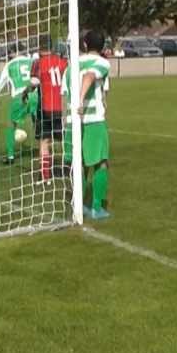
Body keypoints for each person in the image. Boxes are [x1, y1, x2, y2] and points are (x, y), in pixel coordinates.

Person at [61, 30, 112, 219]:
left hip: (72, 122)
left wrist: (66, 119)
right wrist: (81, 100)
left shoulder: (70, 65)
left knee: (79, 164)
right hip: (92, 120)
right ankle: (96, 208)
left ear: (84, 45)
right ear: (103, 46)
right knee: (101, 163)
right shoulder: (102, 63)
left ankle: (79, 205)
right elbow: (89, 76)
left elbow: (64, 94)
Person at [0, 50, 38, 164]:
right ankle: (44, 150)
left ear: (14, 53)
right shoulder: (32, 61)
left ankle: (10, 157)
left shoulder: (10, 65)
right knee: (39, 123)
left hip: (19, 97)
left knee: (11, 125)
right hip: (35, 95)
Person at [29, 36, 68, 184]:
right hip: (62, 108)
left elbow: (34, 82)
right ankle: (73, 170)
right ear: (52, 47)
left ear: (39, 48)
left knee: (44, 141)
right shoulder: (63, 62)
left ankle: (45, 176)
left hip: (45, 108)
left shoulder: (38, 63)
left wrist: (26, 91)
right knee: (68, 140)